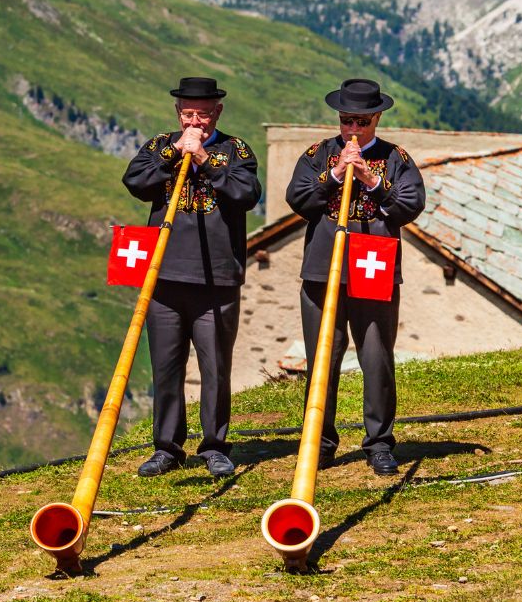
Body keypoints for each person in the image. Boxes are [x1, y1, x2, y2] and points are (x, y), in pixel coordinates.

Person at [286, 78, 425, 476]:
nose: (353, 130)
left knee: (377, 356)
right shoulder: (317, 154)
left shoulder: (395, 157)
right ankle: (320, 442)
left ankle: (379, 443)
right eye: (347, 121)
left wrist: (370, 181)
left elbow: (409, 205)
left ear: (376, 118)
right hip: (322, 266)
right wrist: (333, 177)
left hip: (373, 262)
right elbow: (298, 199)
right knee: (322, 359)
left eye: (361, 122)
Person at [123, 76, 262, 478]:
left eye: (202, 113)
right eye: (187, 113)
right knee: (166, 365)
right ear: (177, 112)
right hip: (164, 275)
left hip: (216, 278)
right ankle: (167, 447)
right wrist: (172, 155)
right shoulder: (159, 145)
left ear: (217, 112)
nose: (194, 120)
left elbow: (246, 194)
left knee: (214, 365)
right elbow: (136, 182)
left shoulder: (235, 149)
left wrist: (202, 158)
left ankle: (215, 445)